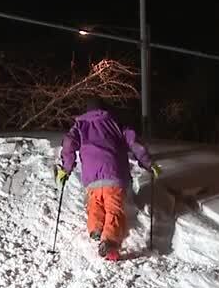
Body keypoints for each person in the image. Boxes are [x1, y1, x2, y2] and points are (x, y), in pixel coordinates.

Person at [56, 98, 159, 260]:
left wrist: (65, 169)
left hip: (92, 178)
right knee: (114, 208)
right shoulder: (115, 123)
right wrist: (148, 163)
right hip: (114, 174)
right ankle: (109, 240)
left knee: (95, 204)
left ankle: (96, 229)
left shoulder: (80, 125)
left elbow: (68, 143)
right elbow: (134, 142)